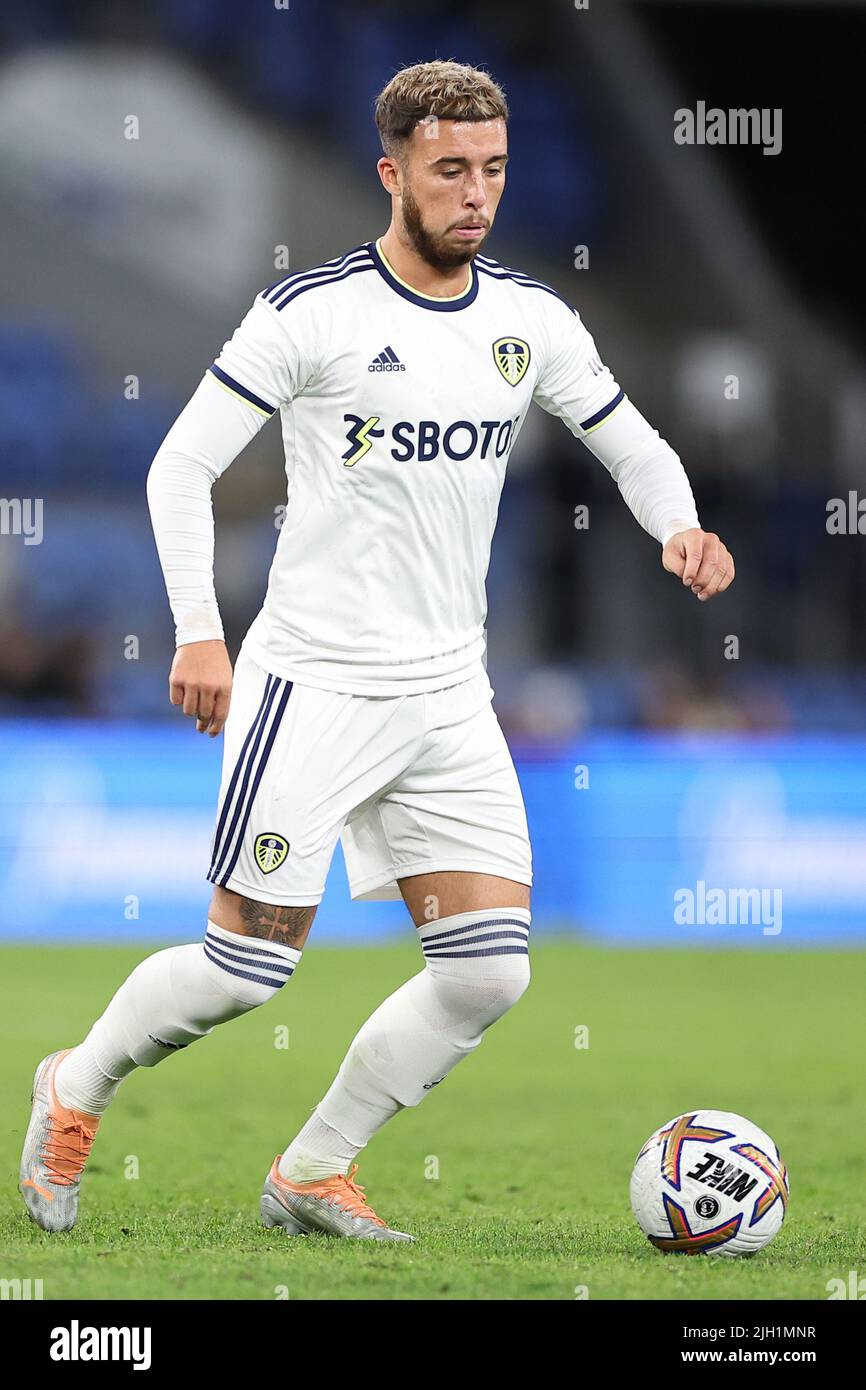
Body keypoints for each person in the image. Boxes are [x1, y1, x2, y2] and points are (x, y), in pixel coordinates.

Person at [20, 59, 734, 1241]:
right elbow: (179, 467)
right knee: (246, 972)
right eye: (450, 168)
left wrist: (680, 526)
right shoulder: (313, 312)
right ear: (390, 171)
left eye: (494, 168)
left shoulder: (528, 319)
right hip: (312, 683)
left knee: (486, 972)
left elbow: (631, 439)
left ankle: (312, 1170)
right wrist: (200, 630)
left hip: (449, 692)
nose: (476, 193)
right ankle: (75, 1083)